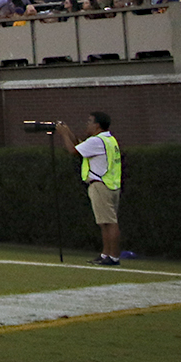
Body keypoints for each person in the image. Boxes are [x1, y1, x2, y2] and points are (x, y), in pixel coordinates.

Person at [58, 112, 122, 265]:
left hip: (100, 185)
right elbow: (80, 146)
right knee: (104, 222)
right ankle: (106, 254)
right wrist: (68, 132)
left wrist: (63, 135)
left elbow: (73, 151)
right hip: (111, 184)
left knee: (109, 222)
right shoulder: (108, 140)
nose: (87, 124)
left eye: (90, 122)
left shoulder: (97, 141)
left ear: (97, 125)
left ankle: (113, 256)